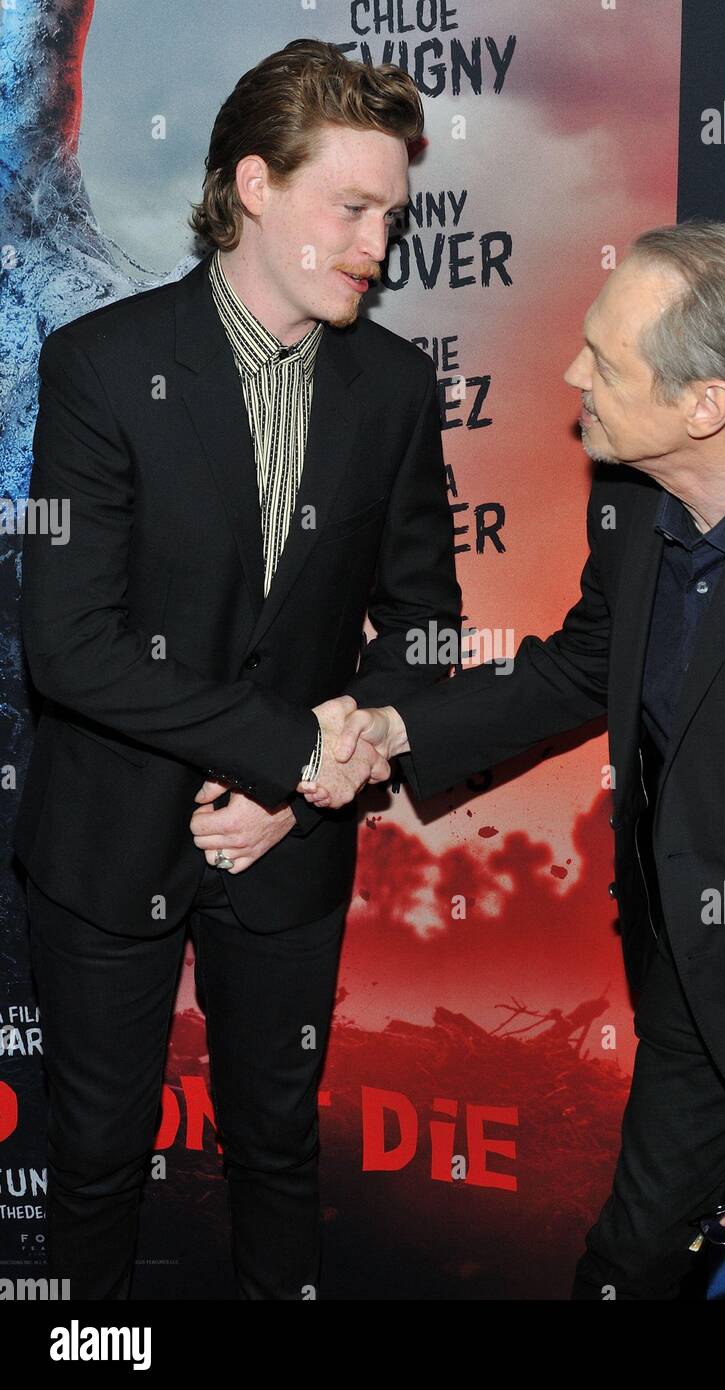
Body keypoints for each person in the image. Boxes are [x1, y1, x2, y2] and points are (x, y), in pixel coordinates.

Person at [304, 221, 725, 1299]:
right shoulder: (636, 494)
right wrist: (401, 730)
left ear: (705, 406)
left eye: (603, 358)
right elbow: (591, 661)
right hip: (704, 964)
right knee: (626, 1264)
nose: (566, 372)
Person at [15, 38, 461, 1299]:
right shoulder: (99, 367)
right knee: (96, 1161)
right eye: (355, 208)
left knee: (275, 1149)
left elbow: (423, 628)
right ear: (255, 186)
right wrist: (282, 751)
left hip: (295, 845)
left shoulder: (390, 388)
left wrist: (310, 786)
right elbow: (70, 644)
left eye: (393, 215)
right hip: (108, 842)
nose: (381, 242)